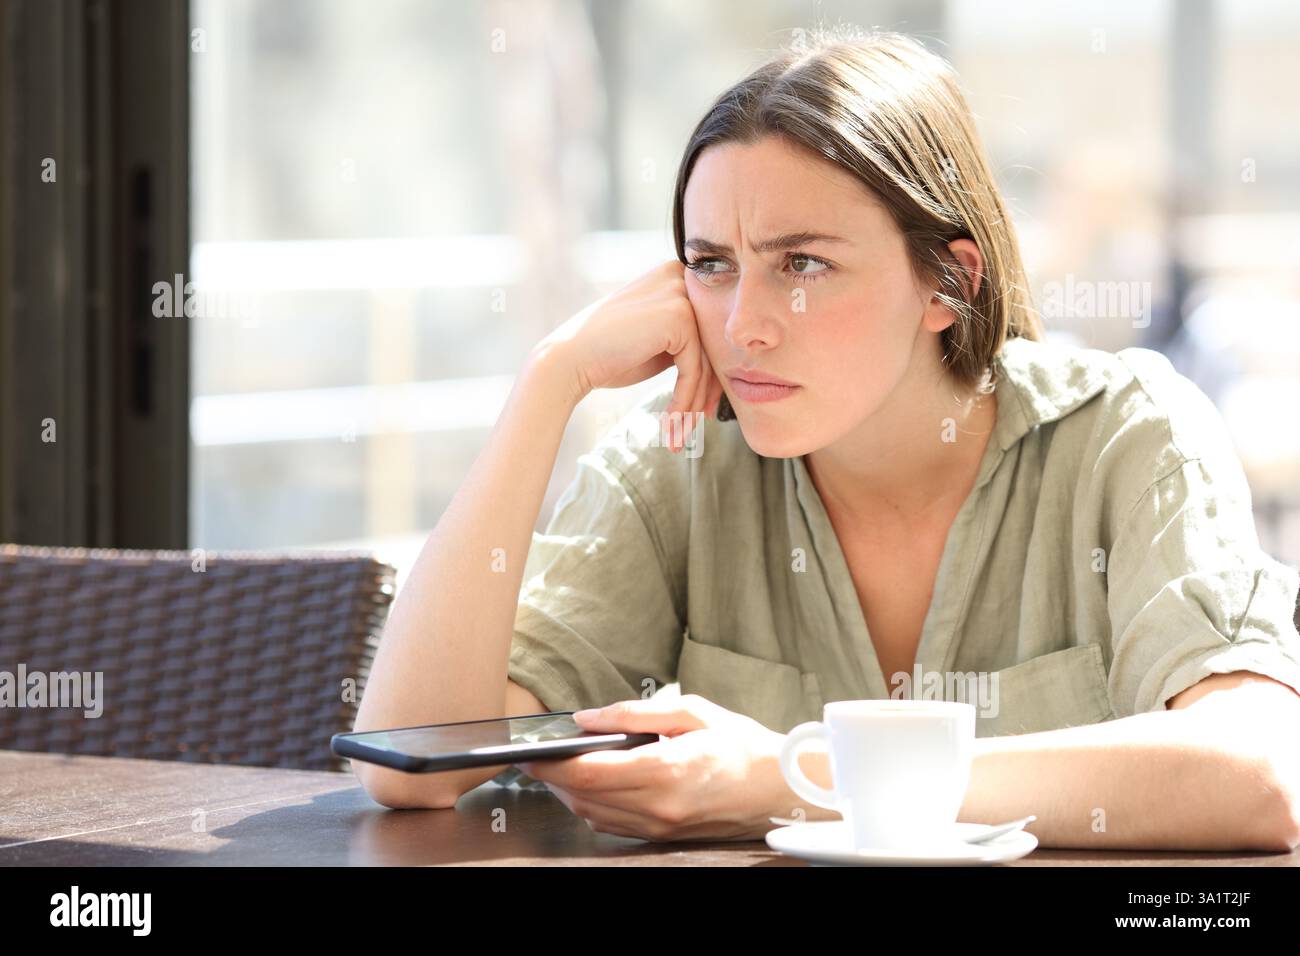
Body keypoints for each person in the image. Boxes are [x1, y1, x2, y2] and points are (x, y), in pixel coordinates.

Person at [351, 27, 1300, 850]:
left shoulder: (1125, 438)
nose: (744, 324)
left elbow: (1258, 775)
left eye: (801, 263)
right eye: (712, 266)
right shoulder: (677, 461)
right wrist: (549, 382)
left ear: (950, 283)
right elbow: (415, 762)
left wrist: (791, 779)